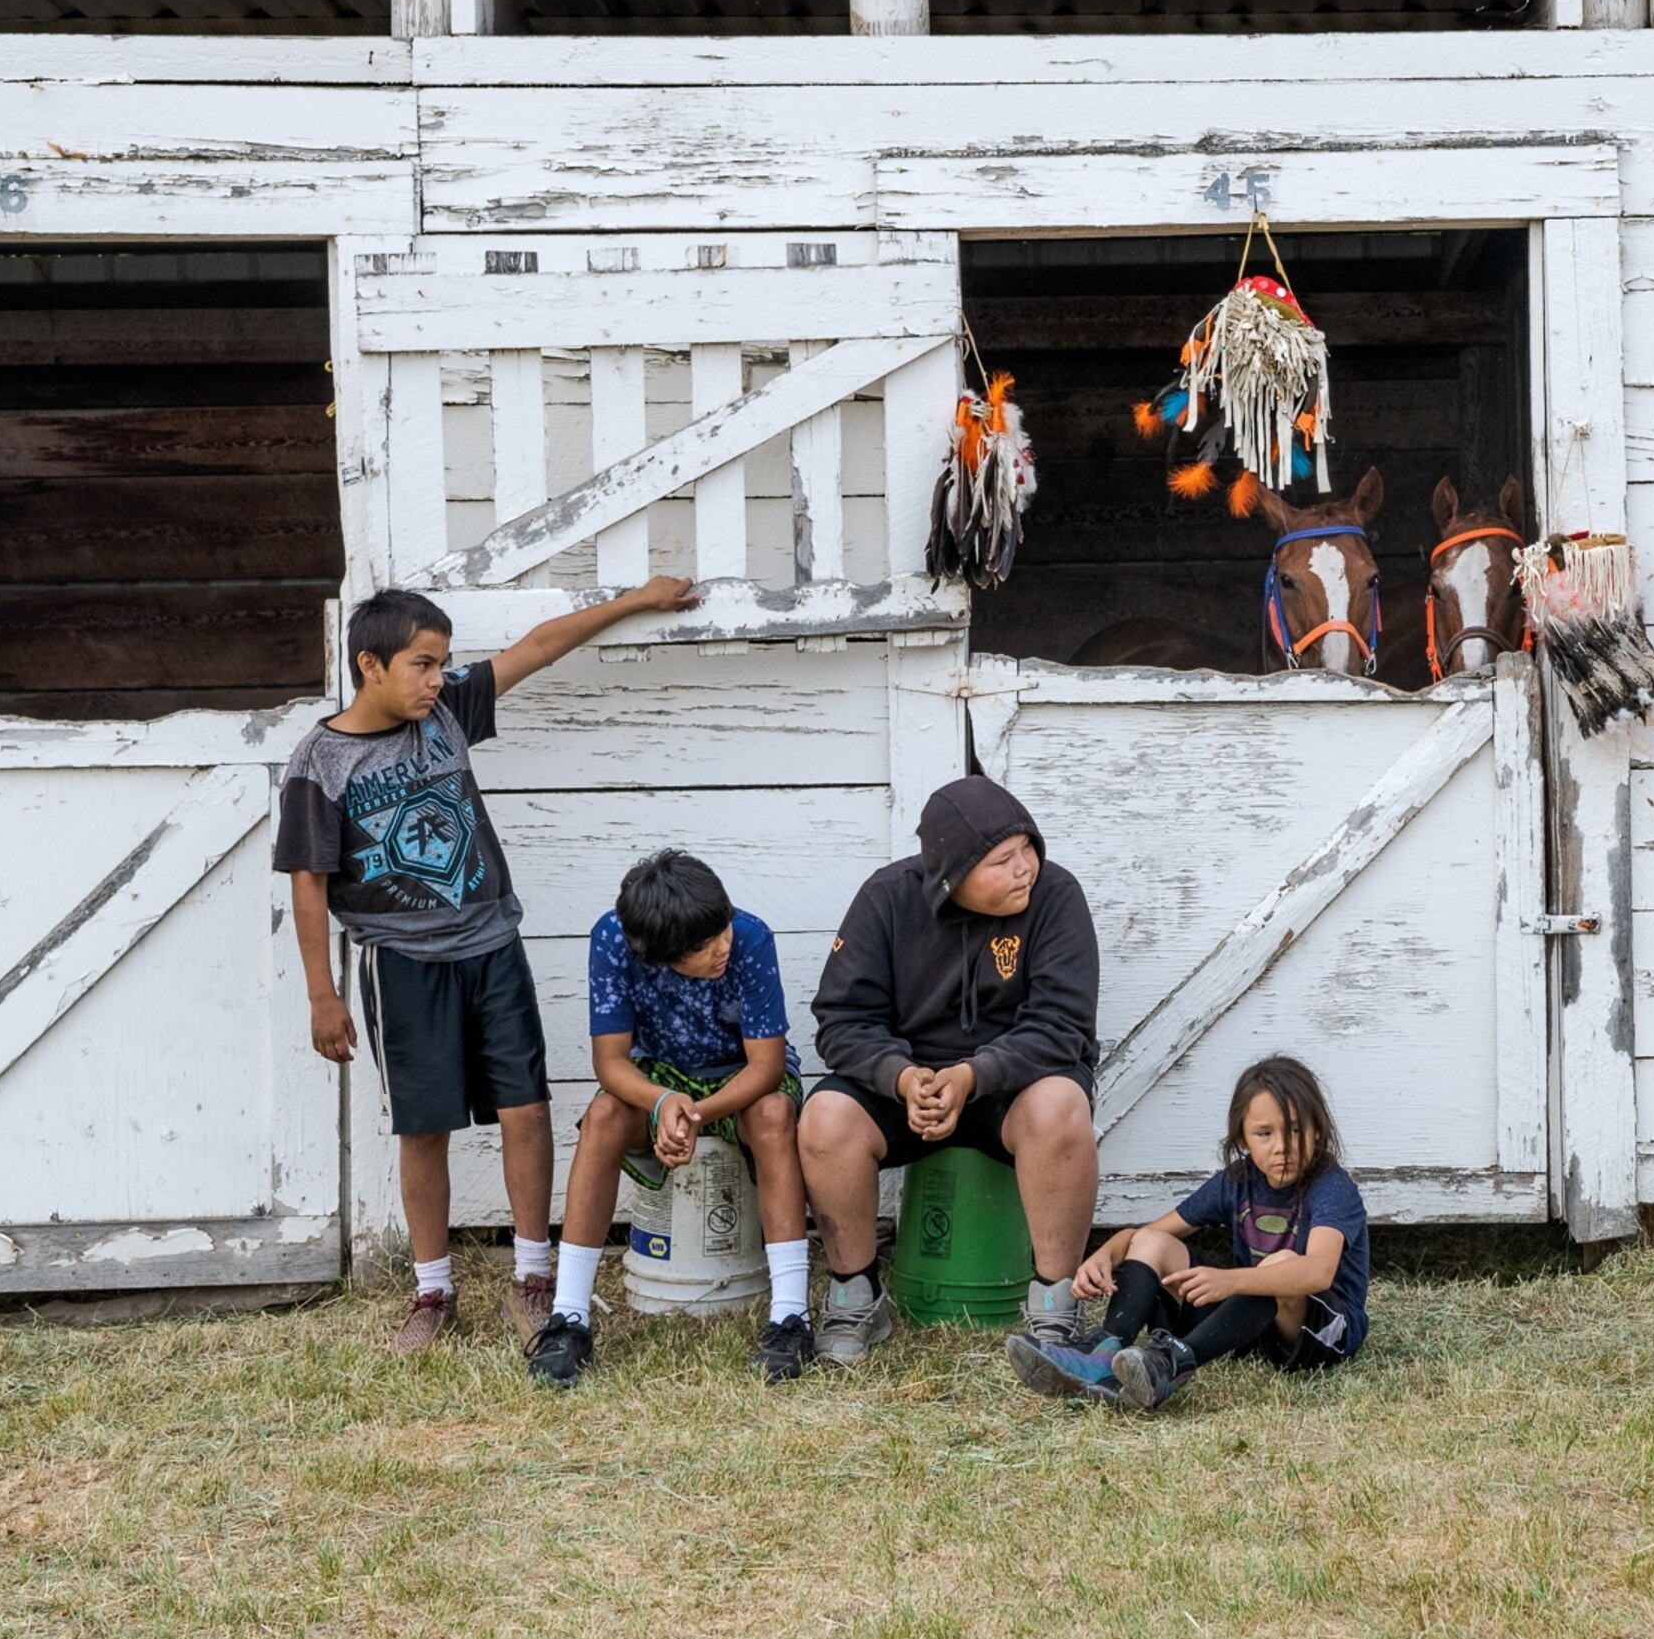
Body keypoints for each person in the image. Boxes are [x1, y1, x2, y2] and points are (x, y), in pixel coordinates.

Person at [274, 578, 698, 1355]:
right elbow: (308, 881)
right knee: (424, 1128)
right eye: (422, 664)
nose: (438, 679)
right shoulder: (321, 761)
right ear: (371, 665)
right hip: (404, 966)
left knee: (526, 1110)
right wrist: (320, 994)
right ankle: (433, 1290)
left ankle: (534, 1279)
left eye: (443, 664)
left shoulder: (445, 715)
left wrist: (635, 600)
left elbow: (536, 647)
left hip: (492, 949)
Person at [799, 776, 1101, 1367]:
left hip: (1008, 1089)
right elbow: (841, 1021)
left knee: (1062, 1105)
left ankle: (1055, 1306)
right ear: (953, 876)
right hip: (909, 1090)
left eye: (1028, 850)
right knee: (825, 1118)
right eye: (1001, 861)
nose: (1025, 870)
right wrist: (902, 1077)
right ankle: (856, 1293)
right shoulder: (886, 899)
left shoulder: (1057, 896)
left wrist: (972, 1076)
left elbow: (1062, 1025)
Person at [527, 849, 814, 1388]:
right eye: (704, 946)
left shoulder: (750, 937)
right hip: (655, 1076)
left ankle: (791, 1316)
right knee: (605, 1114)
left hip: (741, 1081)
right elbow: (610, 1061)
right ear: (658, 955)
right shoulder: (613, 939)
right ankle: (568, 1317)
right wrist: (661, 1101)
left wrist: (695, 1113)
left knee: (775, 1115)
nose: (722, 945)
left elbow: (768, 1067)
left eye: (722, 928)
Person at [1015, 1054, 1369, 1410]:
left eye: (1295, 1129)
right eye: (1265, 1133)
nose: (1282, 1146)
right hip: (1251, 1325)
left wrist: (1231, 1282)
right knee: (1153, 1244)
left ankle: (1171, 1365)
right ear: (1243, 1138)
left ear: (1318, 1129)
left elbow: (1317, 1270)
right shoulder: (1238, 1180)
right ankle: (1104, 1352)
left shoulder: (1331, 1187)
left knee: (1280, 1264)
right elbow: (1150, 1235)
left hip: (1320, 1333)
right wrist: (1107, 1252)